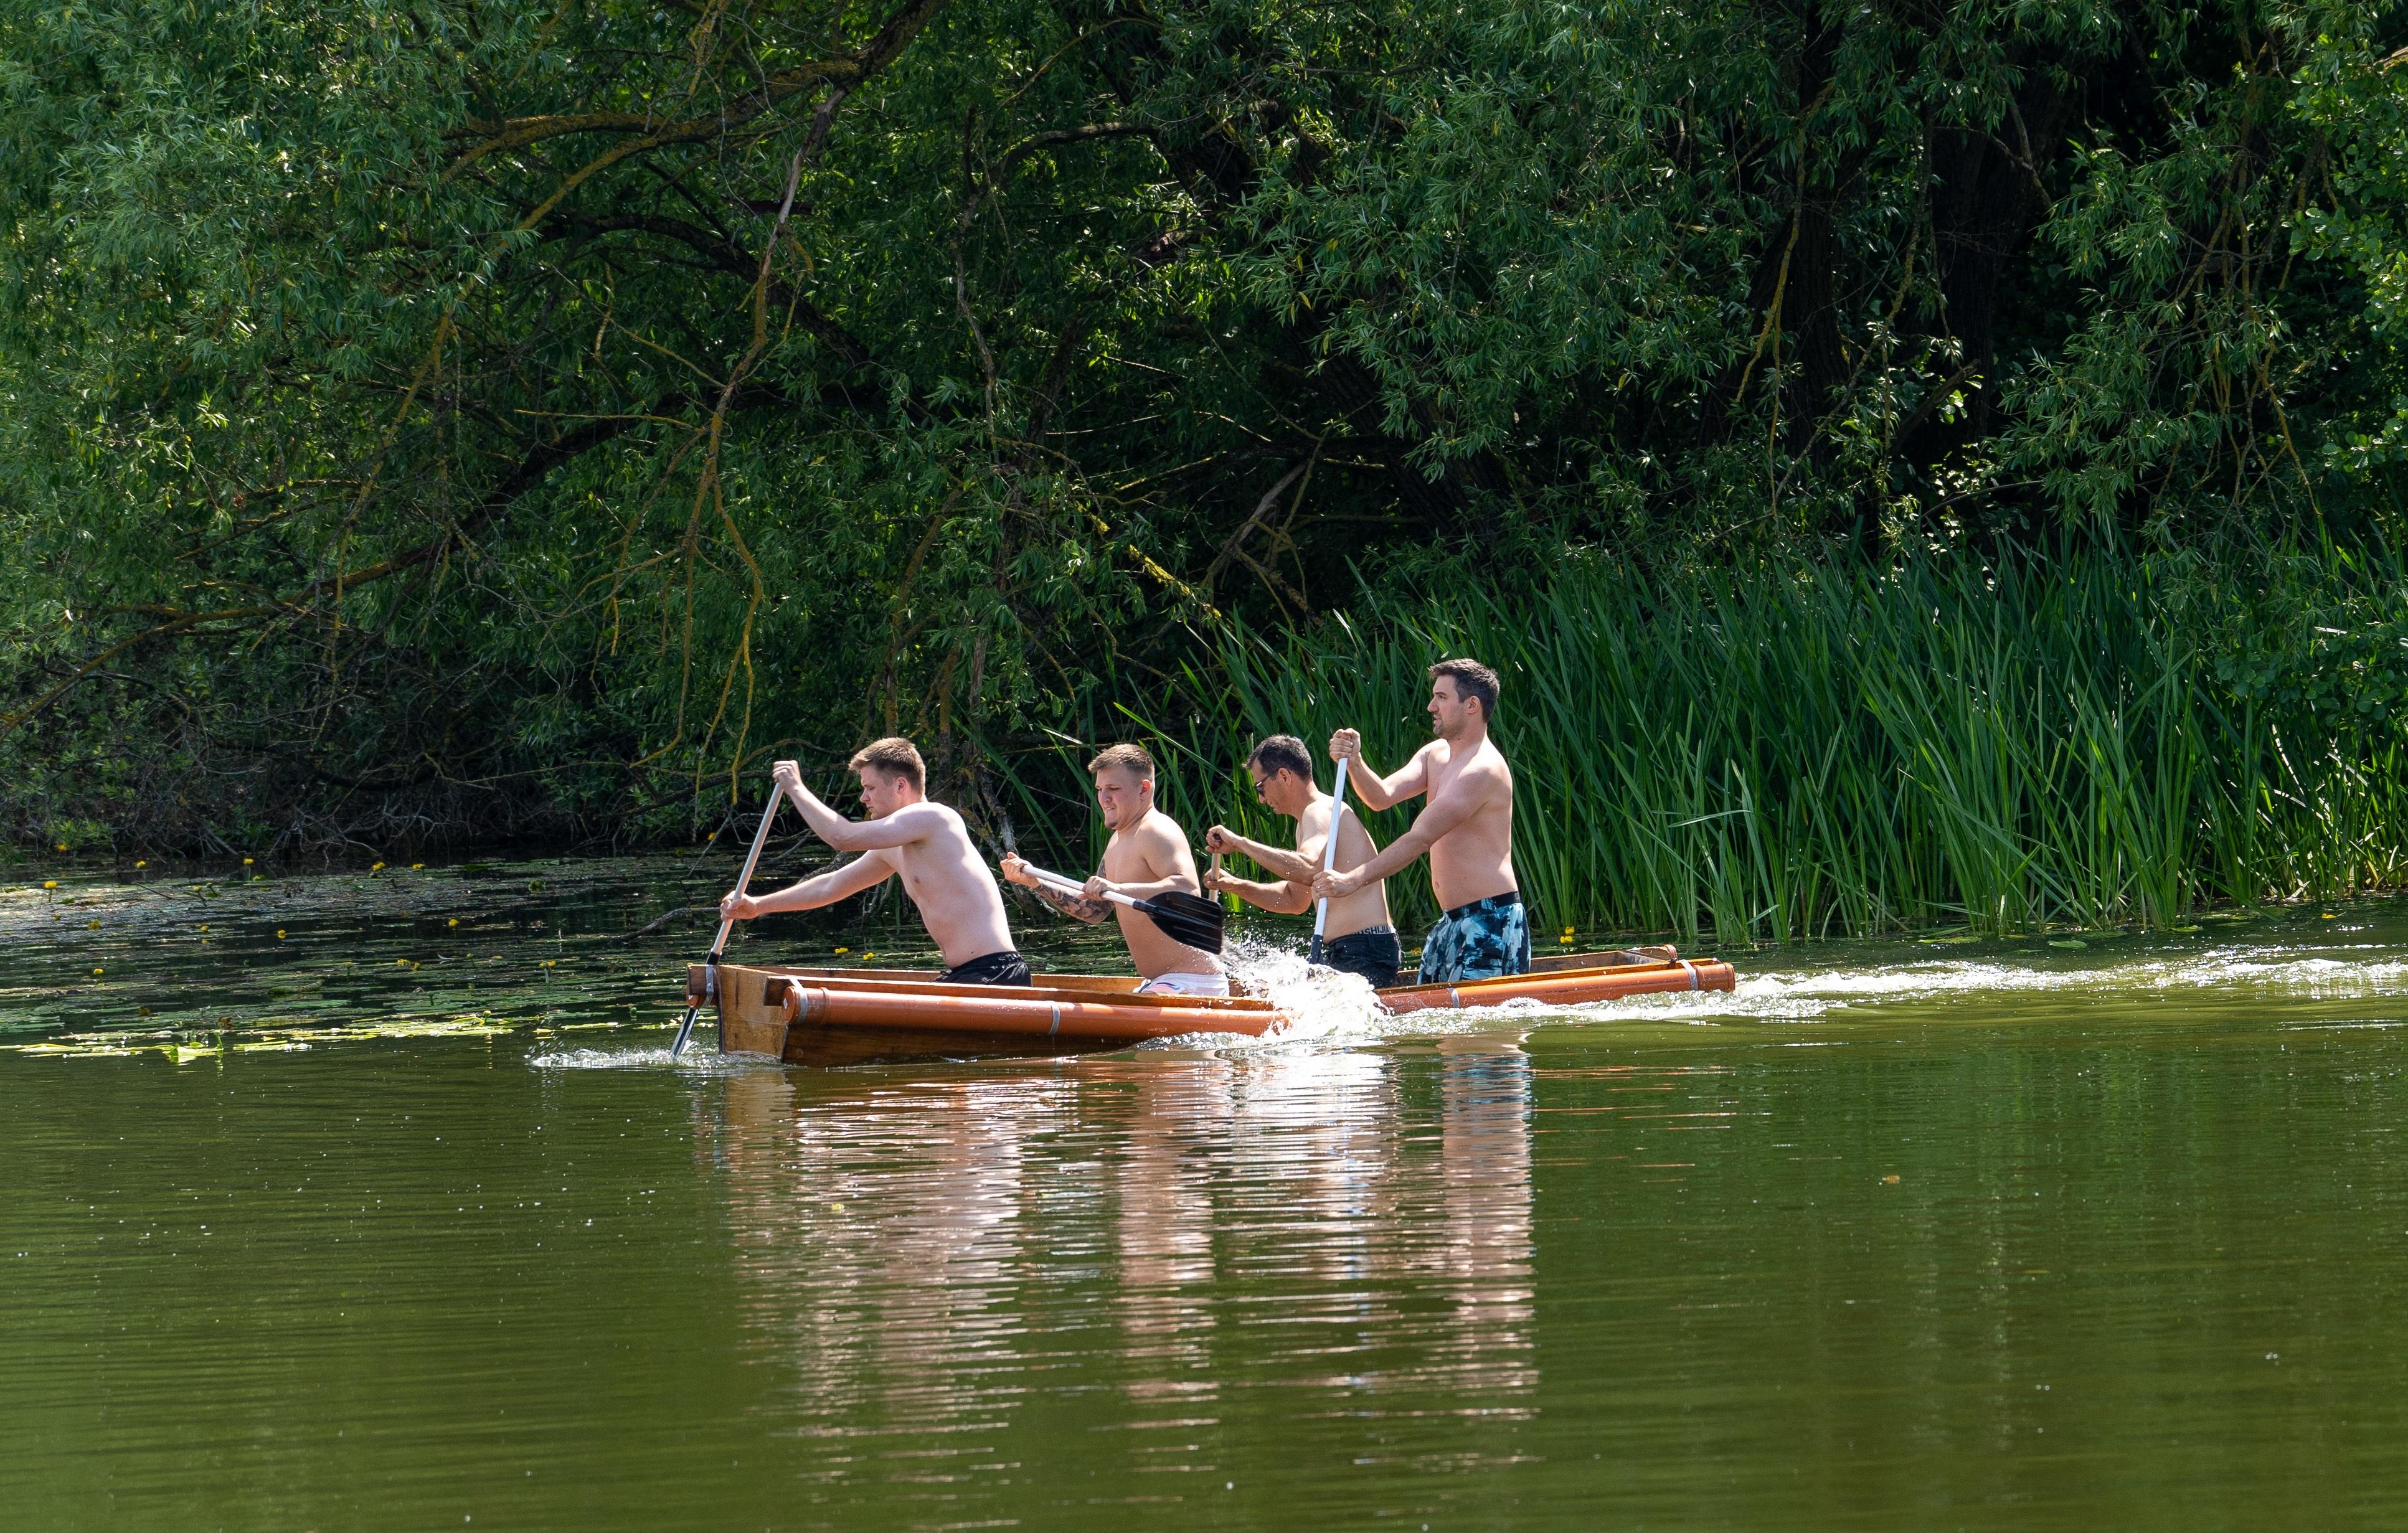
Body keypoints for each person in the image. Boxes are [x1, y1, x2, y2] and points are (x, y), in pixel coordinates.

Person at [719, 737, 1030, 985]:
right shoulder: (894, 843)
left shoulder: (932, 817)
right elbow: (831, 886)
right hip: (967, 975)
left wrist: (797, 789)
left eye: (869, 788)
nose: (863, 798)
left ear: (900, 785)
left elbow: (843, 837)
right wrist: (758, 906)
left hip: (996, 973)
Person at [1311, 658, 1527, 984]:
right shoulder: (1435, 754)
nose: (1430, 707)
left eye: (1441, 697)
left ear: (1472, 705)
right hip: (1450, 922)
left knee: (1477, 1028)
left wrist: (1352, 880)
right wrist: (1355, 762)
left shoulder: (1482, 770)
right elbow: (1380, 797)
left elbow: (1419, 838)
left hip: (1490, 918)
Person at [1001, 742, 1229, 996]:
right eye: (1100, 789)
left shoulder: (1156, 830)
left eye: (1113, 789)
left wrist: (1117, 888)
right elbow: (1094, 910)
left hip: (1192, 981)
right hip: (1159, 982)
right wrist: (1037, 883)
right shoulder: (1117, 841)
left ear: (1144, 789)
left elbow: (1188, 889)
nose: (1104, 798)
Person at [1202, 734, 1400, 988]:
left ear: (1284, 776)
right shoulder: (1306, 824)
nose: (1261, 799)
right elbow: (1295, 900)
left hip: (1364, 950)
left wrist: (1241, 843)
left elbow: (1308, 869)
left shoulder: (1320, 811)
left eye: (1260, 787)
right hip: (1349, 949)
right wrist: (1235, 885)